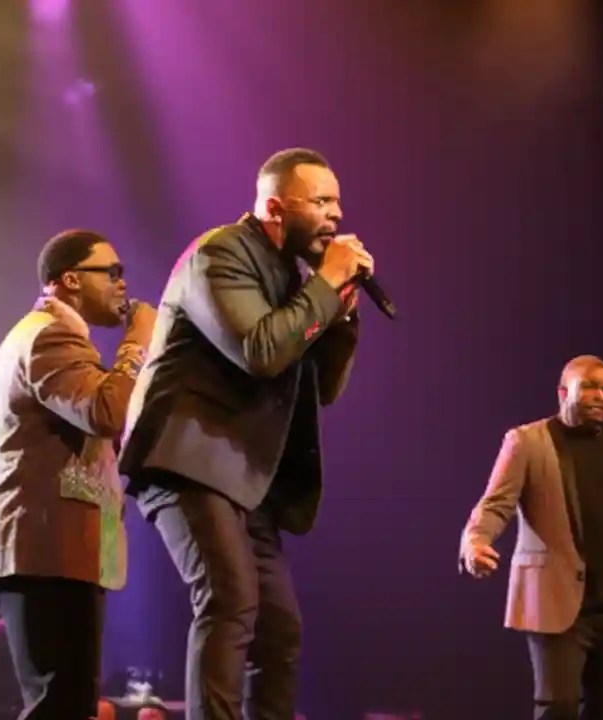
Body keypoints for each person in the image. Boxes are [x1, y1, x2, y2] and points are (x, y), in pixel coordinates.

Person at [119, 148, 371, 719]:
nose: (337, 215)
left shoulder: (293, 278)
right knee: (230, 601)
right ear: (277, 206)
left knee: (279, 631)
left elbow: (321, 387)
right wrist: (326, 282)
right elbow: (261, 351)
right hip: (187, 459)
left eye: (339, 201)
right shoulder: (219, 254)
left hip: (244, 478)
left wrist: (342, 308)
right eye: (323, 201)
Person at [0, 229, 156, 720]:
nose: (122, 284)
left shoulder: (60, 338)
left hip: (64, 547)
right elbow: (103, 412)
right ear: (70, 279)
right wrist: (138, 340)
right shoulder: (49, 334)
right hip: (42, 546)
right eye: (111, 272)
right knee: (57, 703)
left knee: (70, 703)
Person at [458, 354, 603, 720]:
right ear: (563, 392)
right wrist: (475, 542)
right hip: (555, 601)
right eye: (591, 387)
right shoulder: (527, 442)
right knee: (558, 708)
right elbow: (495, 504)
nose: (602, 396)